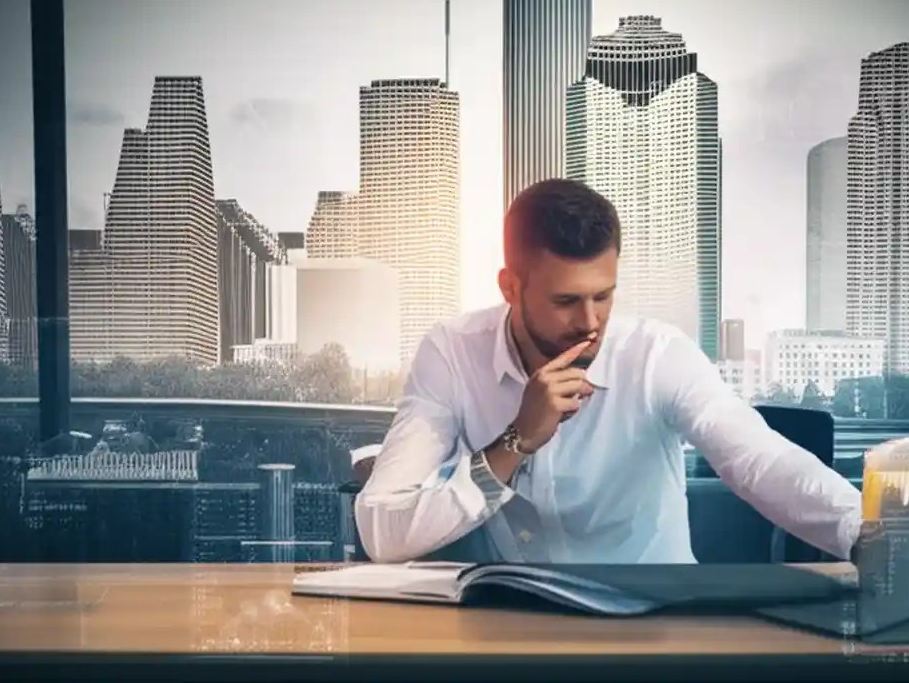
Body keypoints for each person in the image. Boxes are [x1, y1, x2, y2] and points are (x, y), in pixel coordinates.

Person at [354, 178, 863, 565]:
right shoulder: (452, 353)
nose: (590, 322)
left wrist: (872, 538)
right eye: (566, 301)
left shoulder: (658, 354)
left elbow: (760, 460)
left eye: (604, 295)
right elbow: (382, 531)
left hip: (657, 636)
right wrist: (515, 443)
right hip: (519, 634)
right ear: (510, 287)